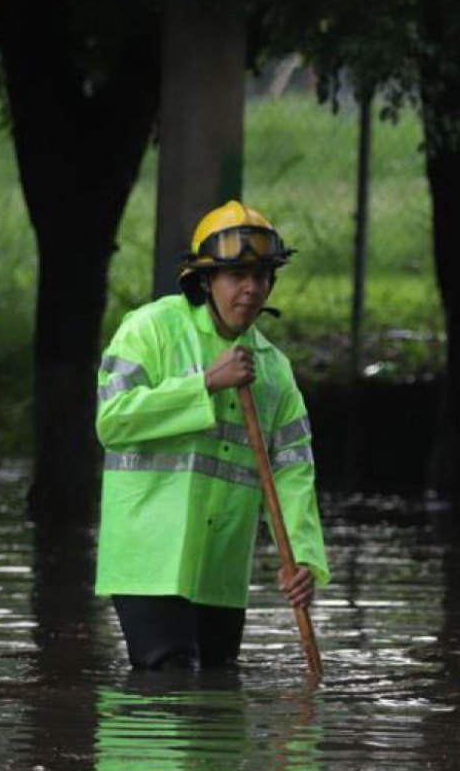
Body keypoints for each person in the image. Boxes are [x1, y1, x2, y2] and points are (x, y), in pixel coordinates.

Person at [94, 200, 330, 670]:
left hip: (221, 566)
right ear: (205, 279)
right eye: (236, 275)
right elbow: (113, 420)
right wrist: (203, 384)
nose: (251, 289)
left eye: (261, 275)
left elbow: (294, 472)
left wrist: (304, 558)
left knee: (219, 685)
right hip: (150, 562)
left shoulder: (275, 373)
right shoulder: (151, 329)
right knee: (168, 676)